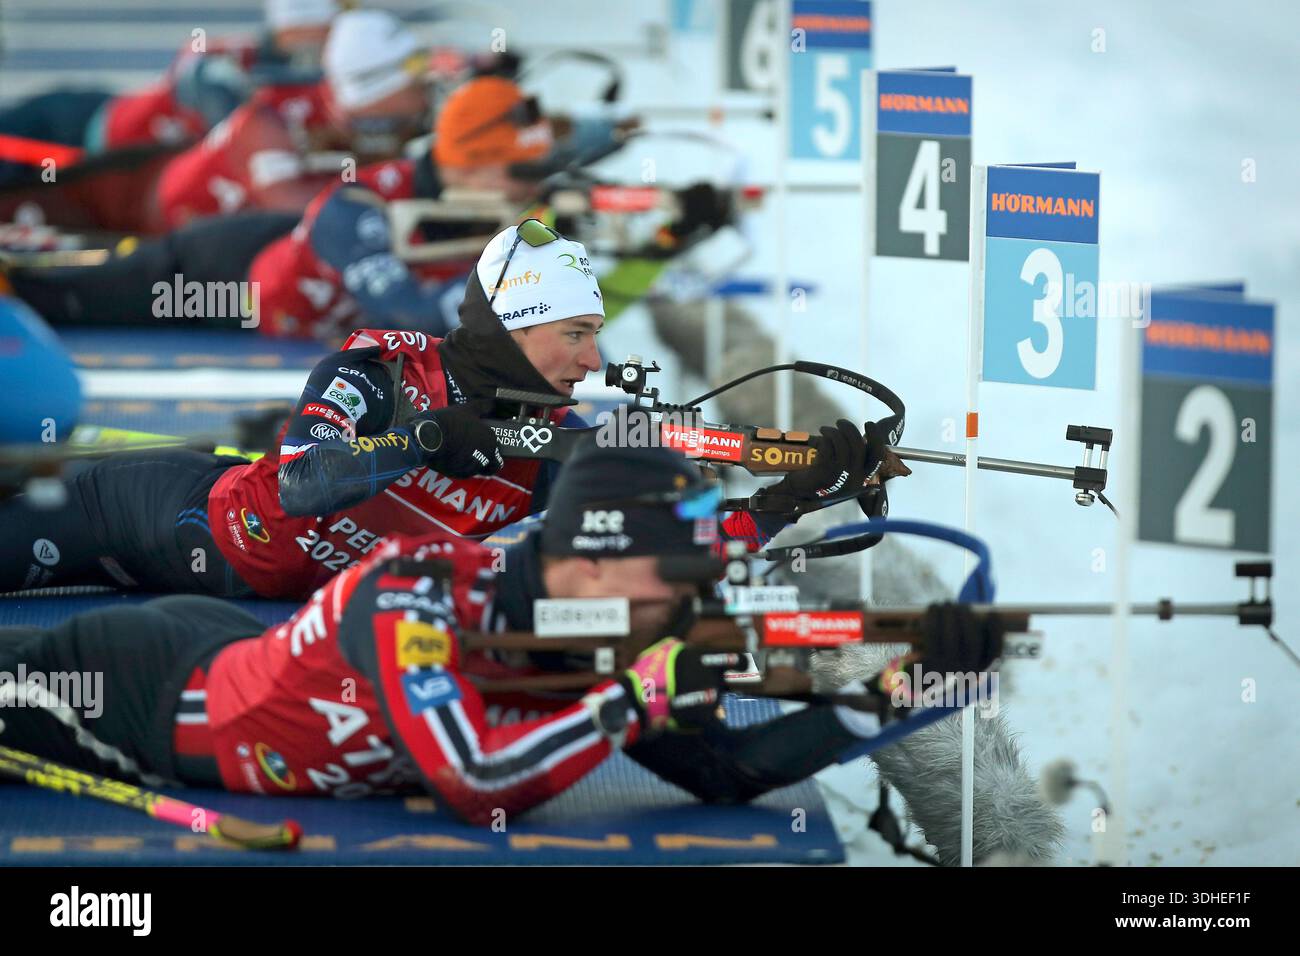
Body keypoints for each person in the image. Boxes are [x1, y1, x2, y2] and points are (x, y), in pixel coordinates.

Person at [0, 438, 1005, 821]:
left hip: (227, 651)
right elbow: (475, 779)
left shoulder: (593, 615)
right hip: (130, 692)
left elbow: (727, 770)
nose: (687, 599)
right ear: (596, 562)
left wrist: (904, 691)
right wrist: (631, 700)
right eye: (675, 577)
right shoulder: (416, 600)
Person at [0, 222, 842, 598]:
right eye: (578, 335)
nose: (593, 362)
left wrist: (782, 493)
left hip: (264, 618)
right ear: (515, 330)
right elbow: (301, 487)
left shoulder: (547, 445)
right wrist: (428, 435)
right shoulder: (386, 366)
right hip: (166, 520)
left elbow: (656, 527)